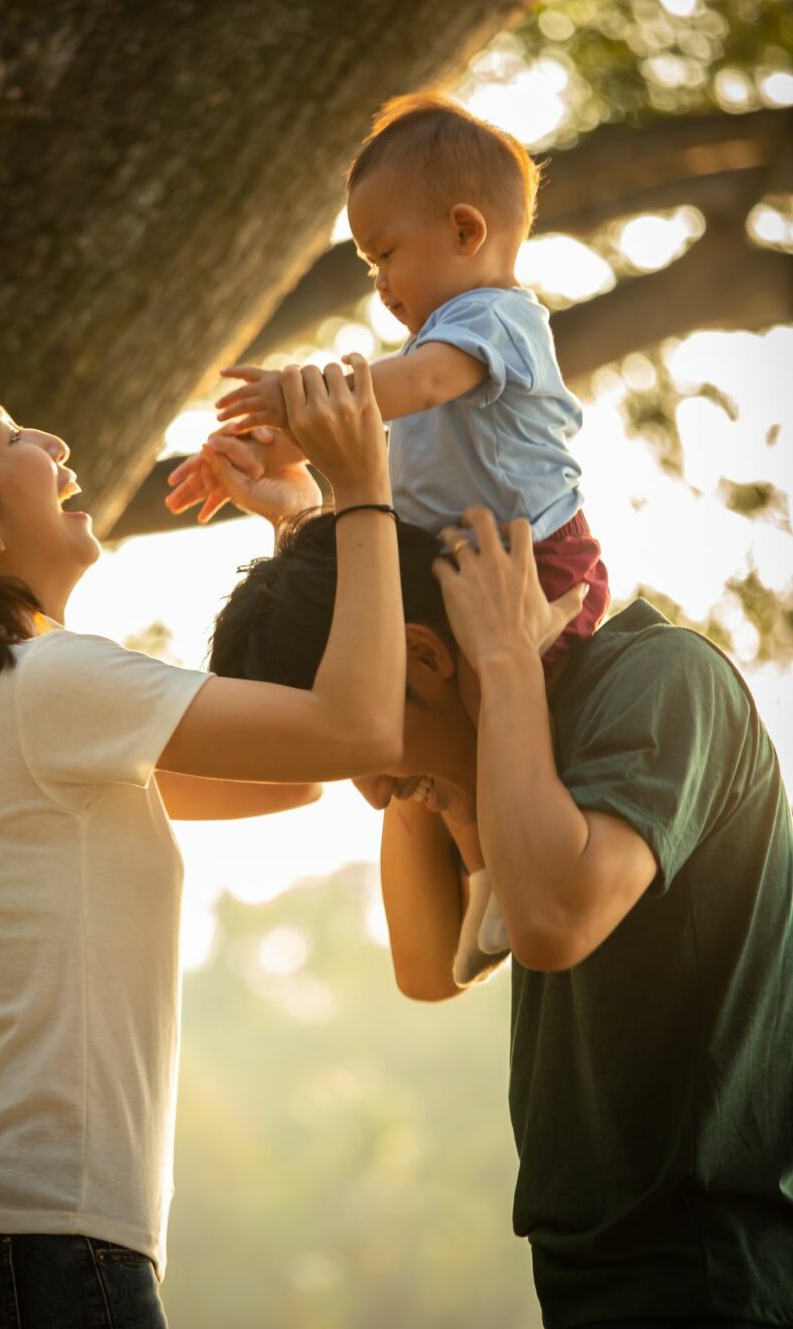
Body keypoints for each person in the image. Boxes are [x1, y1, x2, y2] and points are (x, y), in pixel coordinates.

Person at [0, 357, 406, 1329]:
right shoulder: (48, 687)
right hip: (39, 1258)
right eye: (8, 433)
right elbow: (357, 729)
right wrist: (364, 493)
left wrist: (296, 522)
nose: (54, 445)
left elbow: (294, 772)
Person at [198, 435, 793, 1329]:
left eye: (360, 748)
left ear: (429, 659)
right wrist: (314, 534)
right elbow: (430, 961)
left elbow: (554, 916)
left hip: (706, 1274)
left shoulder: (660, 681)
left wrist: (504, 663)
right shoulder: (495, 748)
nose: (369, 793)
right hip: (591, 1275)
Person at [174, 94, 610, 983]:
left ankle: (501, 871)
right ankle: (488, 872)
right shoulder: (430, 347)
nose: (378, 281)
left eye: (384, 254)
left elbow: (409, 387)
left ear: (463, 228)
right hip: (466, 566)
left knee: (502, 716)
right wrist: (282, 458)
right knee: (484, 726)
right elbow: (383, 470)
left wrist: (311, 397)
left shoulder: (492, 322)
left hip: (537, 567)